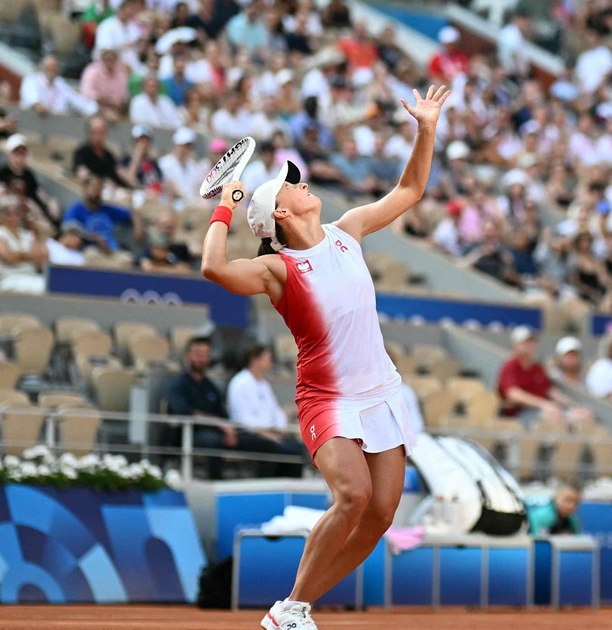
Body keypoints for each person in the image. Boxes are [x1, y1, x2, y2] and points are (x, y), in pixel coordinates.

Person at [200, 85, 451, 630]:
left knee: (381, 514)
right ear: (281, 213)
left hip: (381, 392)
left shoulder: (348, 231)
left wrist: (426, 128)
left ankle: (294, 608)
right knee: (353, 496)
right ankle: (289, 607)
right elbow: (214, 268)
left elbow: (410, 189)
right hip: (328, 399)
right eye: (292, 185)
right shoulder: (279, 270)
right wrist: (226, 204)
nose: (303, 183)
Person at [164, 337, 294, 480]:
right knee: (214, 441)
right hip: (190, 432)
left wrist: (229, 429)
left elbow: (222, 413)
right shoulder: (177, 384)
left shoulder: (210, 386)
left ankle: (266, 484)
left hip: (218, 432)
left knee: (266, 444)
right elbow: (183, 411)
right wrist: (219, 424)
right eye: (197, 354)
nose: (201, 359)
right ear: (188, 356)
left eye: (205, 355)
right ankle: (215, 482)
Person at [226, 344, 307, 477]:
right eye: (267, 358)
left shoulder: (264, 385)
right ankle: (268, 482)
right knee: (270, 447)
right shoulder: (239, 383)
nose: (270, 362)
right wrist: (263, 433)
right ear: (254, 360)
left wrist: (279, 429)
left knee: (295, 447)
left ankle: (290, 483)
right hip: (247, 433)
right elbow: (242, 418)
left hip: (270, 432)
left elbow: (276, 412)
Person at [496, 326, 593, 428]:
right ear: (516, 345)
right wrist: (543, 404)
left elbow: (549, 390)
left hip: (541, 408)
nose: (529, 346)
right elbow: (513, 394)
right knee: (552, 414)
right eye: (525, 343)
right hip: (520, 413)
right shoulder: (510, 366)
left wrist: (572, 405)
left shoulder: (537, 367)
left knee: (583, 415)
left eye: (531, 342)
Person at [0, 196, 47, 294]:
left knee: (55, 285)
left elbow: (40, 260)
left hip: (32, 276)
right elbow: (8, 257)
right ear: (1, 216)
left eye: (16, 213)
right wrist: (30, 256)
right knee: (44, 288)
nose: (13, 217)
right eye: (8, 214)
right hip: (10, 279)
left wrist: (21, 256)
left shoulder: (27, 234)